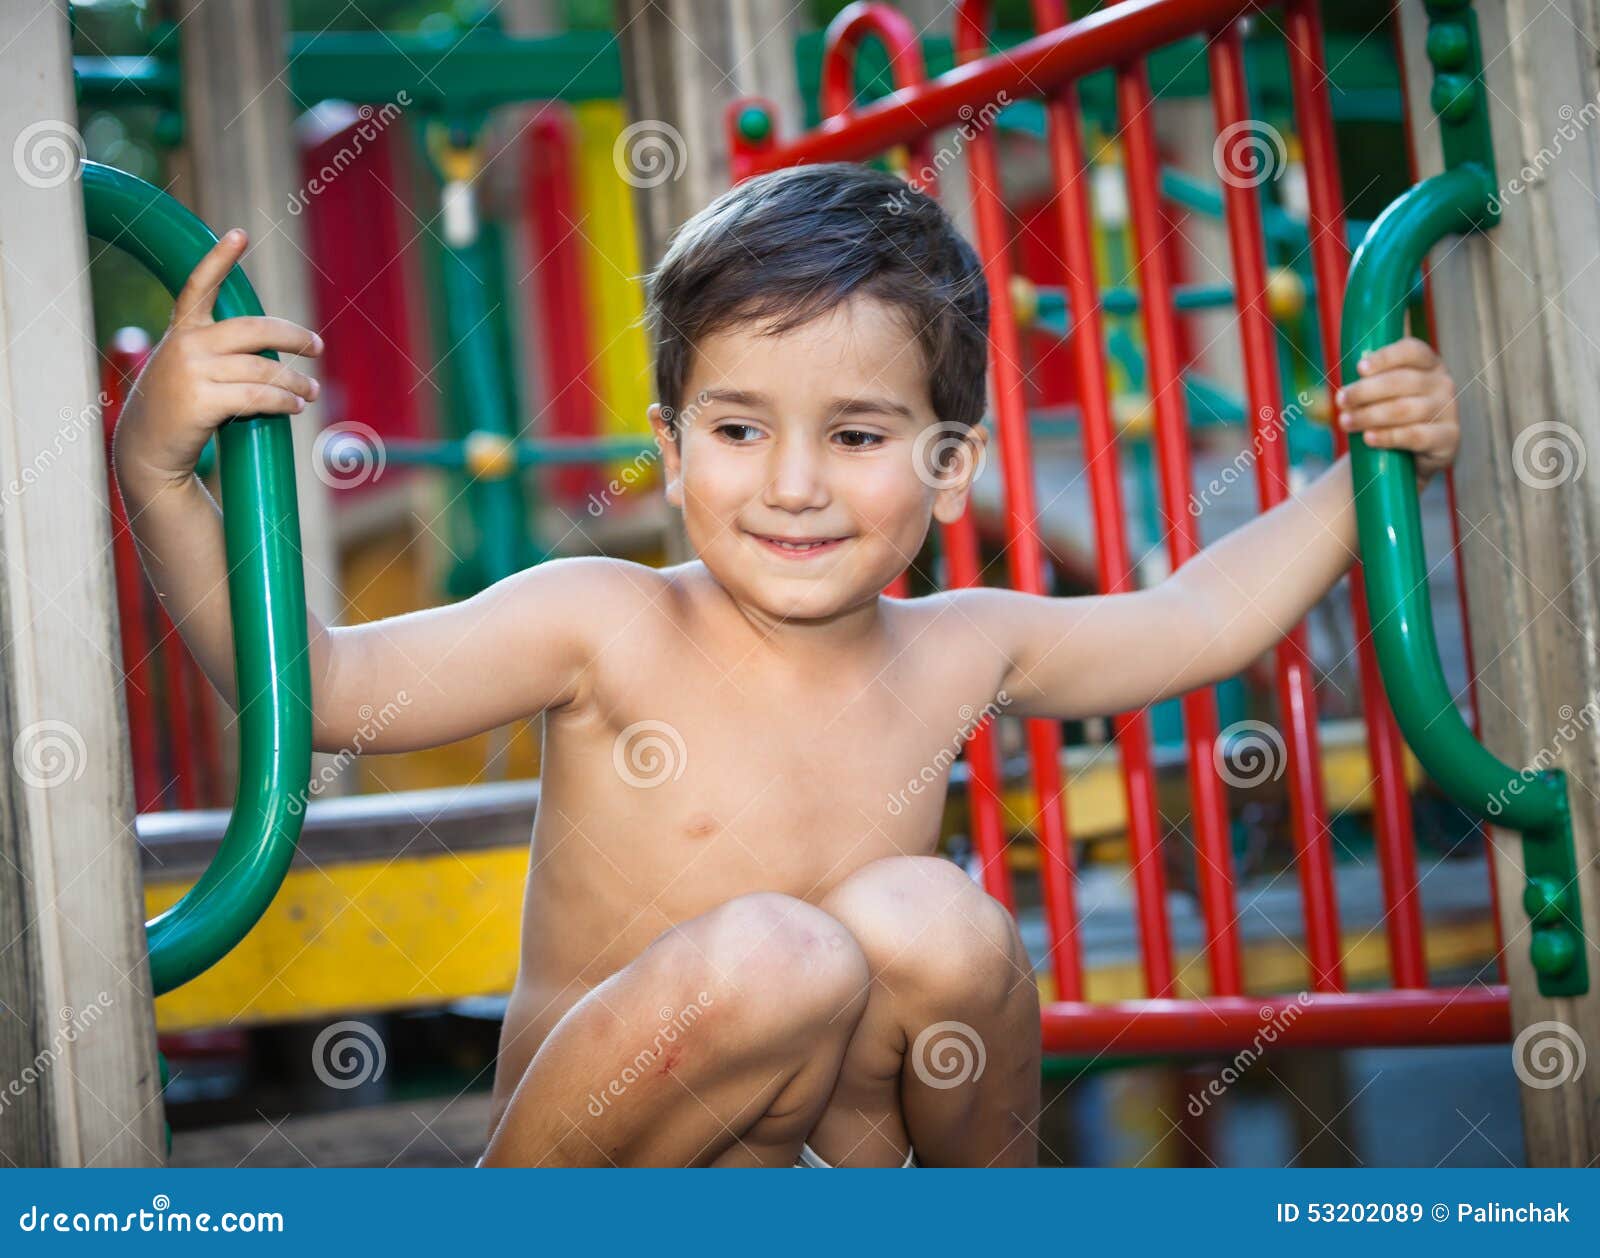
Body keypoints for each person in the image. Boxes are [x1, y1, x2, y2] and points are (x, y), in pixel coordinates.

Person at [112, 161, 1461, 1167]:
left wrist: (1368, 474)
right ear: (674, 443)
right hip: (591, 1167)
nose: (797, 485)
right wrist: (161, 471)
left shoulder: (961, 643)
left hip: (809, 1164)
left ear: (950, 465)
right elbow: (325, 688)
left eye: (860, 435)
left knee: (941, 921)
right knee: (784, 951)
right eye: (742, 428)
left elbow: (1197, 618)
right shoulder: (609, 618)